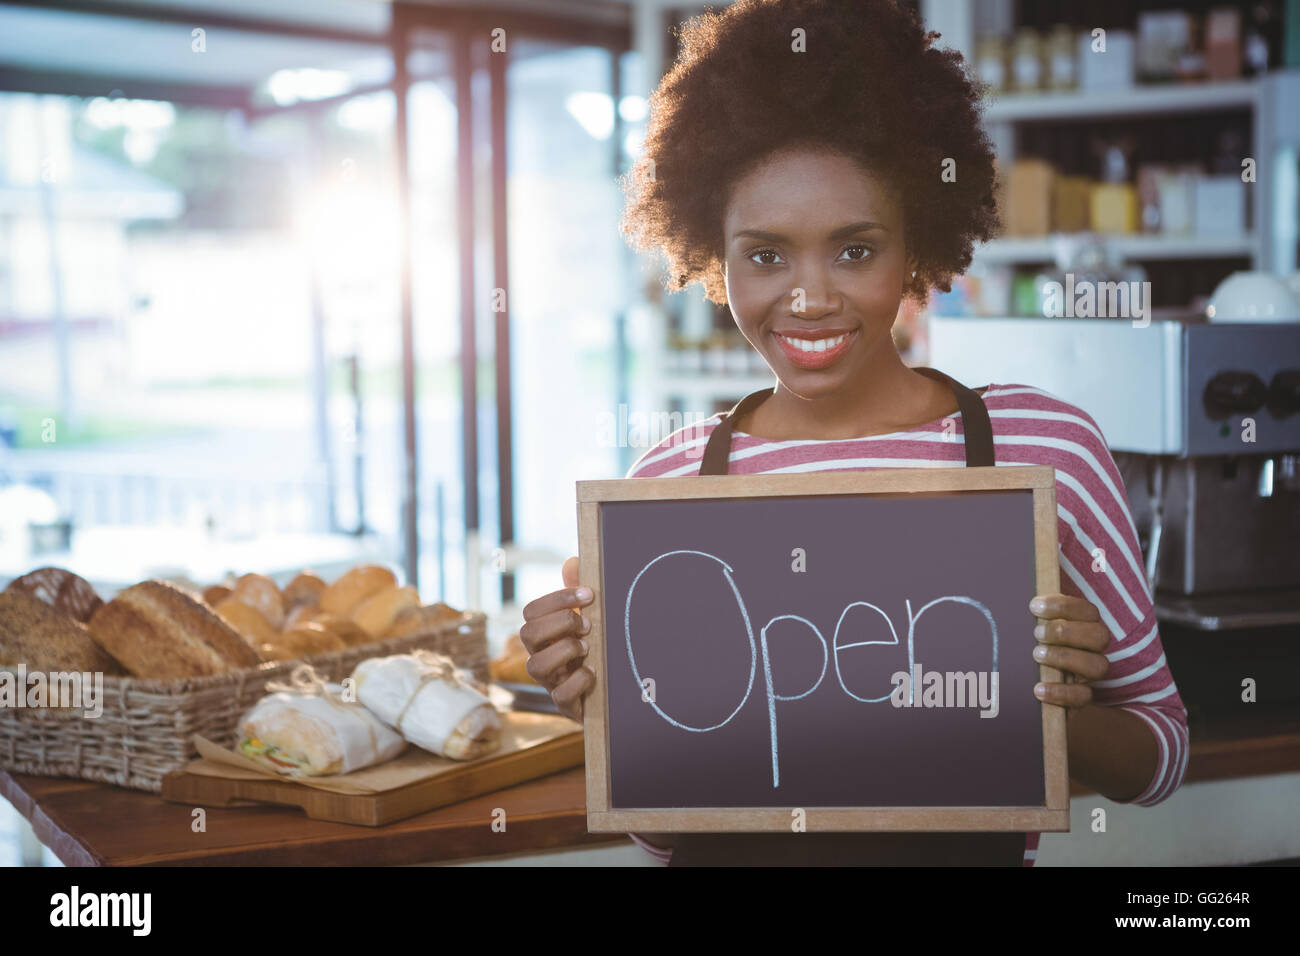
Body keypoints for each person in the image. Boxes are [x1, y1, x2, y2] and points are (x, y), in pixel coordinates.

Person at [519, 0, 1187, 866]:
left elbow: (1161, 754)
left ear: (916, 247)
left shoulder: (1041, 446)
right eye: (766, 256)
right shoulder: (667, 484)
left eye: (854, 250)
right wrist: (605, 705)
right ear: (714, 261)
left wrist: (1052, 708)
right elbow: (661, 830)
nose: (809, 298)